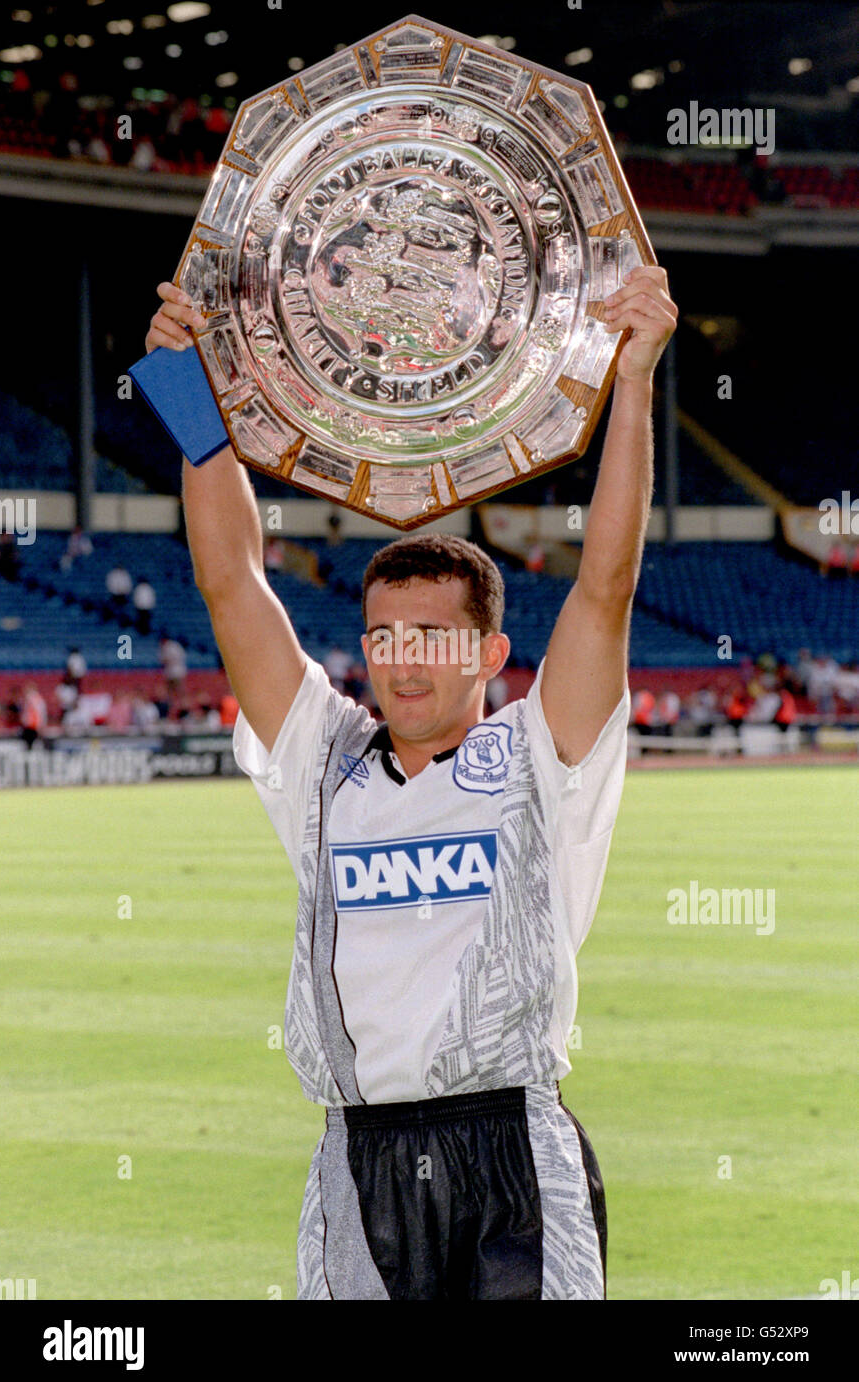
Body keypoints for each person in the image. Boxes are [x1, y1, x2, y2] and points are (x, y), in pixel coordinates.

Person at [146, 261, 677, 1300]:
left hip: (513, 1154)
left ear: (488, 654)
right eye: (383, 634)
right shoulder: (322, 758)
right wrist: (181, 384)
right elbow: (230, 581)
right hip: (358, 1157)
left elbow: (604, 588)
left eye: (433, 637)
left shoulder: (534, 756)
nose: (402, 658)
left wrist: (635, 383)